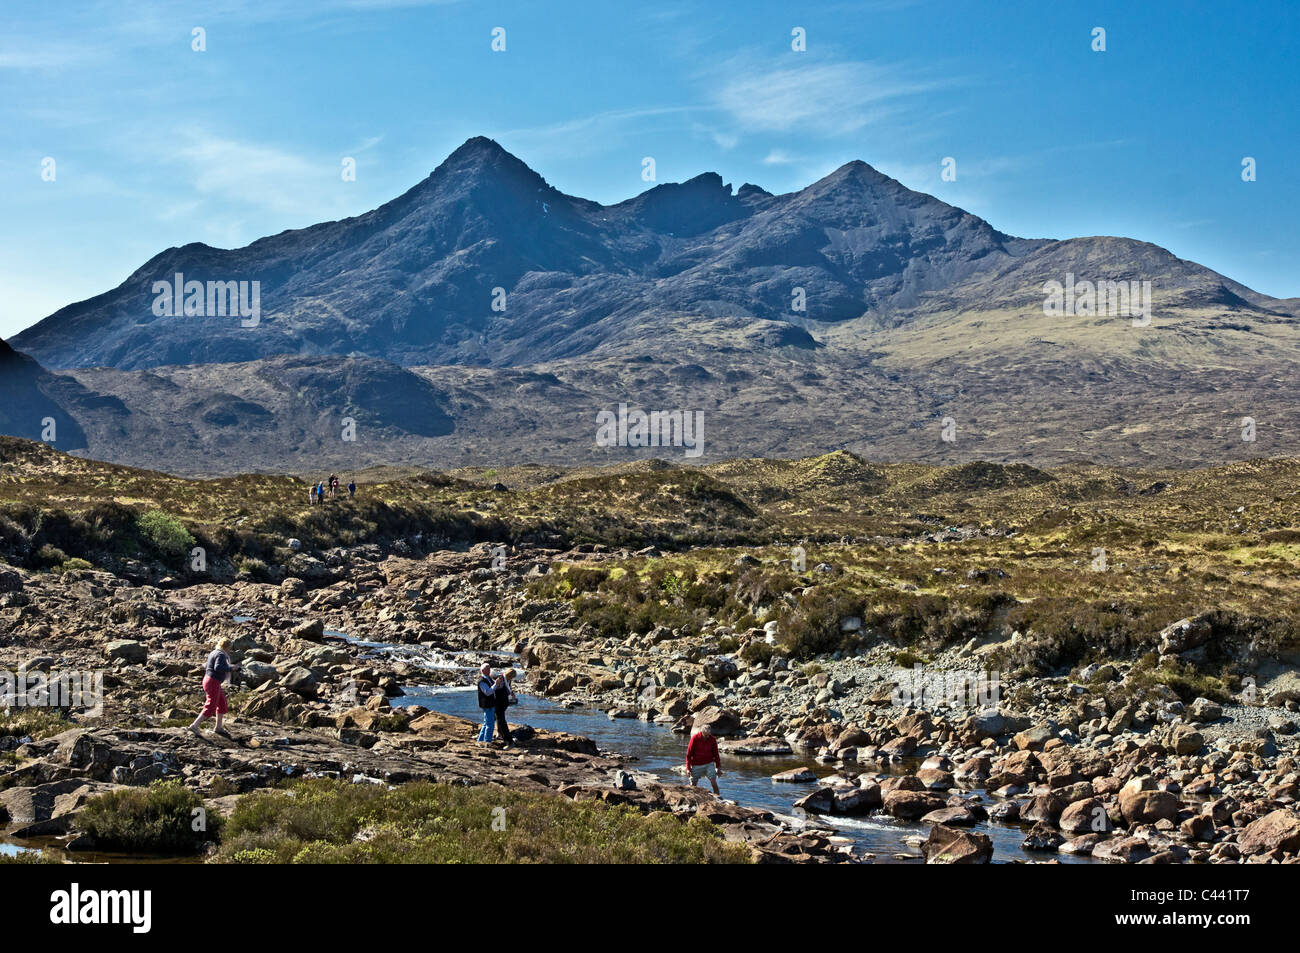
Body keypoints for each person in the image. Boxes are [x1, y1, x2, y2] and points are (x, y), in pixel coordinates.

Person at [190, 637, 239, 738]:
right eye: (229, 648)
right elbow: (218, 667)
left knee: (222, 703)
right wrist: (232, 668)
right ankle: (194, 725)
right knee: (211, 706)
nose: (230, 650)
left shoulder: (214, 652)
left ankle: (218, 727)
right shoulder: (221, 654)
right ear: (227, 647)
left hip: (209, 680)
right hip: (213, 681)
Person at [685, 721, 722, 795]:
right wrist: (688, 768)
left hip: (709, 764)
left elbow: (716, 754)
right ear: (702, 732)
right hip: (696, 764)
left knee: (714, 783)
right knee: (693, 784)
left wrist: (718, 767)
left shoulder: (712, 739)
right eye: (706, 735)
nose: (707, 737)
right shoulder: (695, 738)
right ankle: (691, 798)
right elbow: (689, 754)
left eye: (708, 735)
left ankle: (719, 798)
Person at [493, 668, 518, 748]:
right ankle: (508, 741)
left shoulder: (507, 680)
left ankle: (501, 735)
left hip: (502, 703)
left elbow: (509, 688)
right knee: (501, 721)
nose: (511, 679)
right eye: (511, 677)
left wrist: (512, 693)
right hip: (498, 703)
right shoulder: (500, 679)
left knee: (500, 720)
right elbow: (495, 689)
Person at [475, 663, 497, 743]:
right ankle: (487, 741)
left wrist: (498, 683)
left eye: (489, 668)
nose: (489, 670)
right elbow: (487, 692)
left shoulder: (488, 678)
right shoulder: (482, 681)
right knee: (490, 724)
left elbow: (493, 687)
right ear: (482, 670)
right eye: (487, 668)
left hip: (490, 704)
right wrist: (496, 685)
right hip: (487, 705)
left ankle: (480, 740)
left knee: (486, 723)